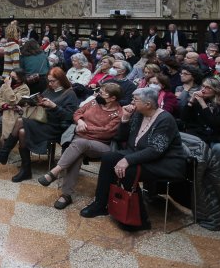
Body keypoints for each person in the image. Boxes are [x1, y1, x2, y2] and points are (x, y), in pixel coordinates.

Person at [80, 87, 186, 230]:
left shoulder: (165, 120)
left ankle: (139, 219)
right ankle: (100, 204)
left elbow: (155, 150)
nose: (131, 103)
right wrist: (125, 119)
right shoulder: (138, 114)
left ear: (148, 104)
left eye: (135, 100)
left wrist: (127, 160)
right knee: (108, 158)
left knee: (128, 171)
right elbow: (120, 137)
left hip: (163, 162)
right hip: (139, 155)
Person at [39, 83, 123, 209]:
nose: (98, 94)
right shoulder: (94, 102)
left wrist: (85, 128)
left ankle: (55, 171)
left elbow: (106, 132)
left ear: (112, 98)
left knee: (79, 143)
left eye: (102, 93)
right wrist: (80, 121)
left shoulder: (118, 113)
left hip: (101, 145)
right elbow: (77, 112)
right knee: (76, 155)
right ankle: (66, 195)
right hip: (80, 140)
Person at [0, 68, 79, 182]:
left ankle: (4, 154)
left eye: (53, 81)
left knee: (20, 121)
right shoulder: (49, 89)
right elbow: (41, 103)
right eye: (49, 81)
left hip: (55, 127)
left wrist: (54, 106)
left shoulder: (70, 93)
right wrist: (32, 102)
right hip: (42, 121)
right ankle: (25, 169)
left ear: (61, 80)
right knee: (22, 132)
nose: (50, 84)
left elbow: (70, 116)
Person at [181, 77, 220, 195]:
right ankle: (192, 188)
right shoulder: (199, 101)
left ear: (217, 90)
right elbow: (184, 119)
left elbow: (215, 124)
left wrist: (203, 104)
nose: (203, 90)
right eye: (203, 86)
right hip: (202, 135)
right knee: (182, 142)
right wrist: (191, 101)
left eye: (208, 88)